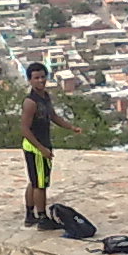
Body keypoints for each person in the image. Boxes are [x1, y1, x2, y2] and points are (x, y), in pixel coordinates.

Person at [20, 61, 84, 231]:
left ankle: (29, 214)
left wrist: (70, 126)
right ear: (30, 80)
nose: (41, 81)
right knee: (40, 184)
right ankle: (42, 217)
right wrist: (41, 148)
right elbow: (24, 128)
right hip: (36, 147)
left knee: (34, 181)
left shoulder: (45, 97)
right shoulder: (30, 102)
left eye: (42, 77)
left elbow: (53, 116)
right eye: (36, 78)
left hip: (41, 144)